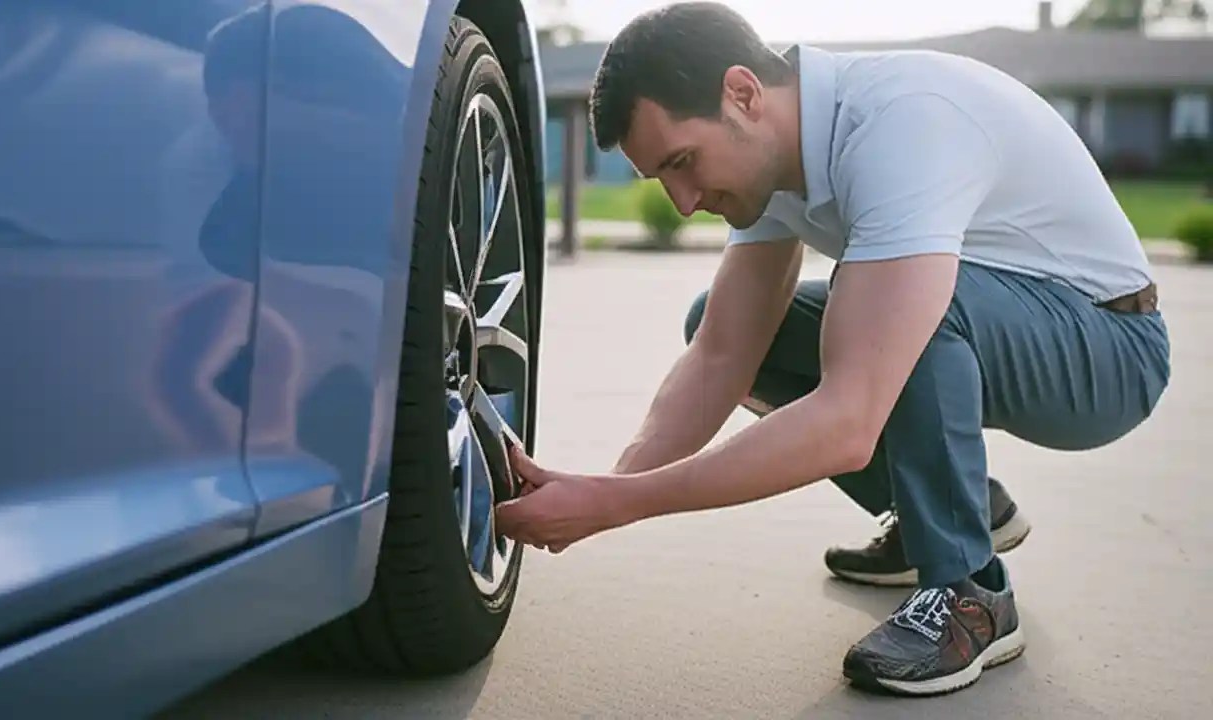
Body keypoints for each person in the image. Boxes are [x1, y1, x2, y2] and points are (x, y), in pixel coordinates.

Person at [496, 1, 1173, 696]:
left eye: (684, 162)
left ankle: (971, 595)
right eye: (662, 179)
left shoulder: (895, 127)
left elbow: (849, 421)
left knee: (902, 316)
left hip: (1107, 348)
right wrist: (608, 485)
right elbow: (722, 356)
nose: (685, 201)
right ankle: (944, 516)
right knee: (730, 322)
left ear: (743, 94)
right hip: (1018, 325)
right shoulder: (777, 156)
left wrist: (623, 505)